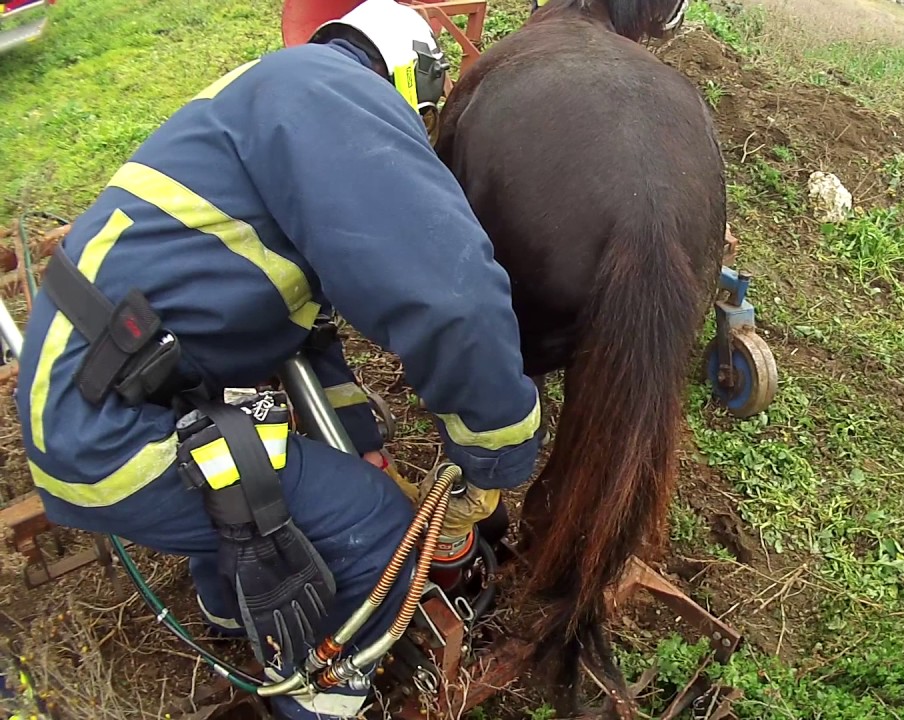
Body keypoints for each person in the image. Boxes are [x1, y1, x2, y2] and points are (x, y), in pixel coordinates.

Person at [13, 0, 542, 717]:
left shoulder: (277, 97)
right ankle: (314, 695)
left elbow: (308, 345)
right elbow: (453, 299)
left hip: (102, 400)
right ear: (412, 81)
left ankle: (237, 609)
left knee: (274, 479)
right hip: (115, 439)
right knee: (379, 533)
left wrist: (366, 451)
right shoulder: (338, 100)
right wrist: (498, 453)